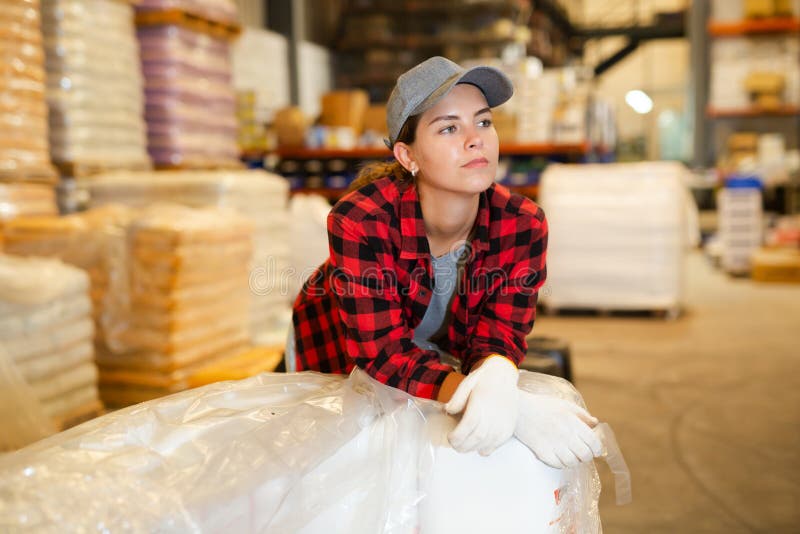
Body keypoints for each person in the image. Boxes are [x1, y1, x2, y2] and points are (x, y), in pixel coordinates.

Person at [292, 56, 601, 464]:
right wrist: (514, 409)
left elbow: (499, 335)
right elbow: (383, 354)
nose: (476, 140)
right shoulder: (361, 221)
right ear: (407, 156)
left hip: (437, 357)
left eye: (484, 122)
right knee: (351, 465)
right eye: (449, 127)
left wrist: (497, 374)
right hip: (341, 350)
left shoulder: (522, 224)